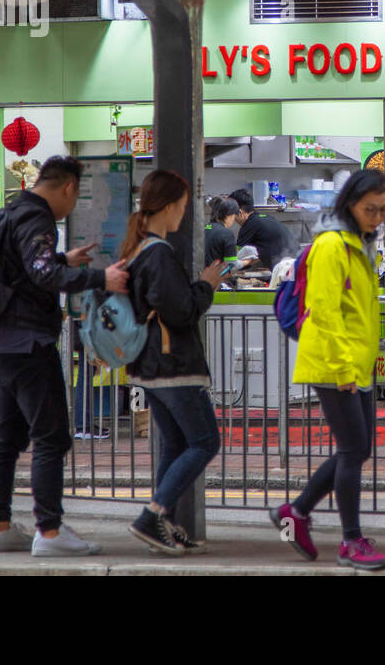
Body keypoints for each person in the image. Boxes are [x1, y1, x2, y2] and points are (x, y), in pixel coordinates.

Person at [0, 155, 129, 558]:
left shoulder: (12, 210)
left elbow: (25, 269)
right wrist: (101, 276)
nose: (73, 205)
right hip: (30, 343)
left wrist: (65, 259)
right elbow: (43, 275)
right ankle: (48, 531)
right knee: (51, 436)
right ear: (68, 188)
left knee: (7, 437)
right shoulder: (37, 217)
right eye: (77, 196)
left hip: (3, 341)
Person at [270, 169, 385, 571]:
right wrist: (344, 371)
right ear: (350, 204)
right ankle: (351, 542)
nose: (376, 217)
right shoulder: (332, 246)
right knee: (354, 450)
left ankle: (298, 512)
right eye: (369, 209)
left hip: (351, 365)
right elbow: (324, 314)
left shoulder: (358, 243)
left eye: (383, 211)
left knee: (355, 449)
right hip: (333, 365)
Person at [123, 170, 225, 556]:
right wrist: (205, 285)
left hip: (147, 366)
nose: (185, 214)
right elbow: (181, 312)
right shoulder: (159, 254)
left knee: (175, 444)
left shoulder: (134, 249)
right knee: (204, 441)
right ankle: (153, 515)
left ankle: (160, 523)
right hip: (173, 365)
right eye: (183, 206)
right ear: (167, 207)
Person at [230, 188, 297, 269]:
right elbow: (259, 252)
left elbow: (234, 257)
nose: (233, 220)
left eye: (233, 216)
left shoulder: (249, 225)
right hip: (297, 261)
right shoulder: (265, 218)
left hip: (288, 268)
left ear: (240, 213)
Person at [204, 196, 241, 271]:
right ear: (229, 215)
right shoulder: (227, 233)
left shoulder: (204, 228)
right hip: (216, 278)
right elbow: (231, 266)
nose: (233, 221)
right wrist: (248, 261)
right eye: (234, 217)